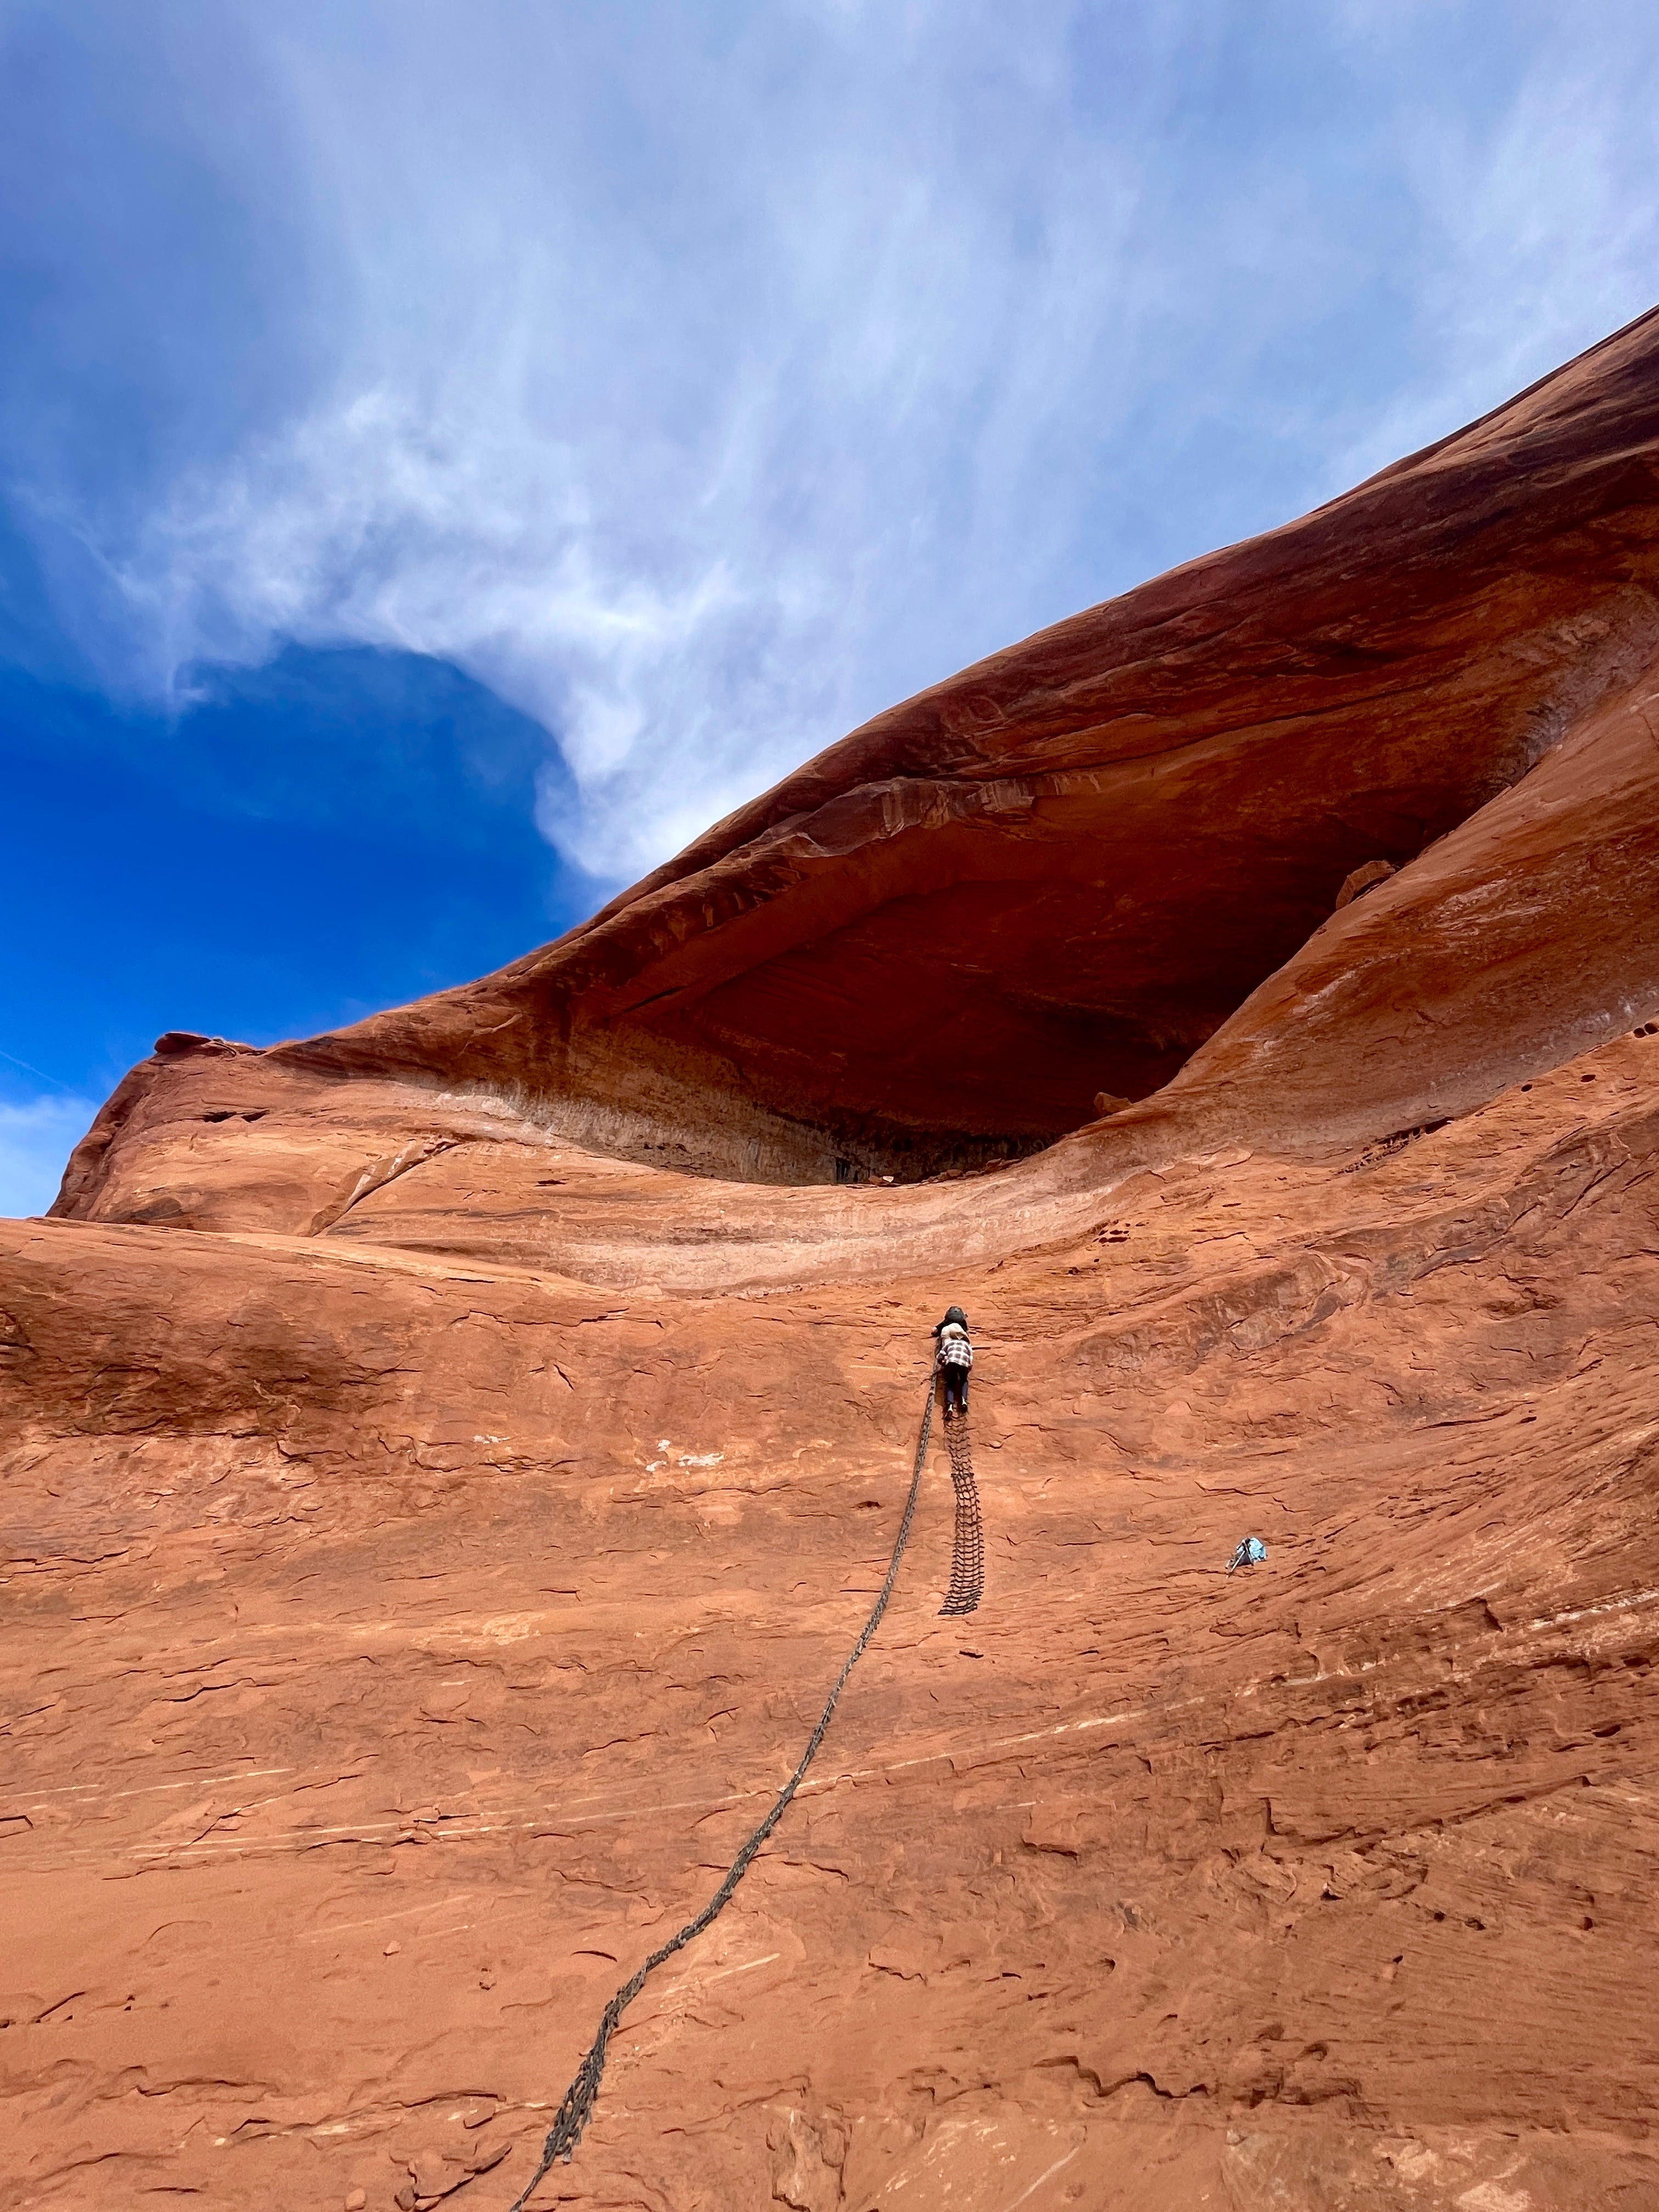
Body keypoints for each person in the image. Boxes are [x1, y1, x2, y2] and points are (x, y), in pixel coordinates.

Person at [933, 1305, 973, 1421]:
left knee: (950, 1383)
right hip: (960, 1340)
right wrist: (968, 1366)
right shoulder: (962, 1322)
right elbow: (971, 1356)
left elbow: (935, 1331)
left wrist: (945, 1363)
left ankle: (950, 1406)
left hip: (946, 1333)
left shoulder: (947, 1321)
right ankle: (964, 1400)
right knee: (964, 1380)